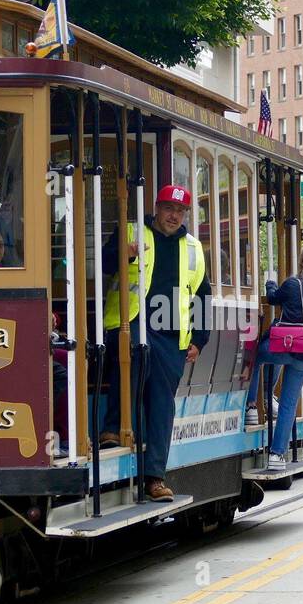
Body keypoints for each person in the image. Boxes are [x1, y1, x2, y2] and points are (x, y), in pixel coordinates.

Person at [98, 184, 211, 502]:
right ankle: (113, 430)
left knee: (162, 406)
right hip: (131, 320)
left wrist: (200, 339)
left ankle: (155, 478)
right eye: (168, 209)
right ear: (157, 208)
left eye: (180, 211)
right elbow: (103, 265)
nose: (173, 215)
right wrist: (124, 253)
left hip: (172, 334)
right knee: (129, 365)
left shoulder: (192, 248)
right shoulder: (132, 230)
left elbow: (203, 295)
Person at [244, 243, 303, 470]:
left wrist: (270, 283)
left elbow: (273, 298)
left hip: (282, 344)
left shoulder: (294, 284)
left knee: (256, 358)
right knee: (289, 404)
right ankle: (277, 455)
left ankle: (252, 406)